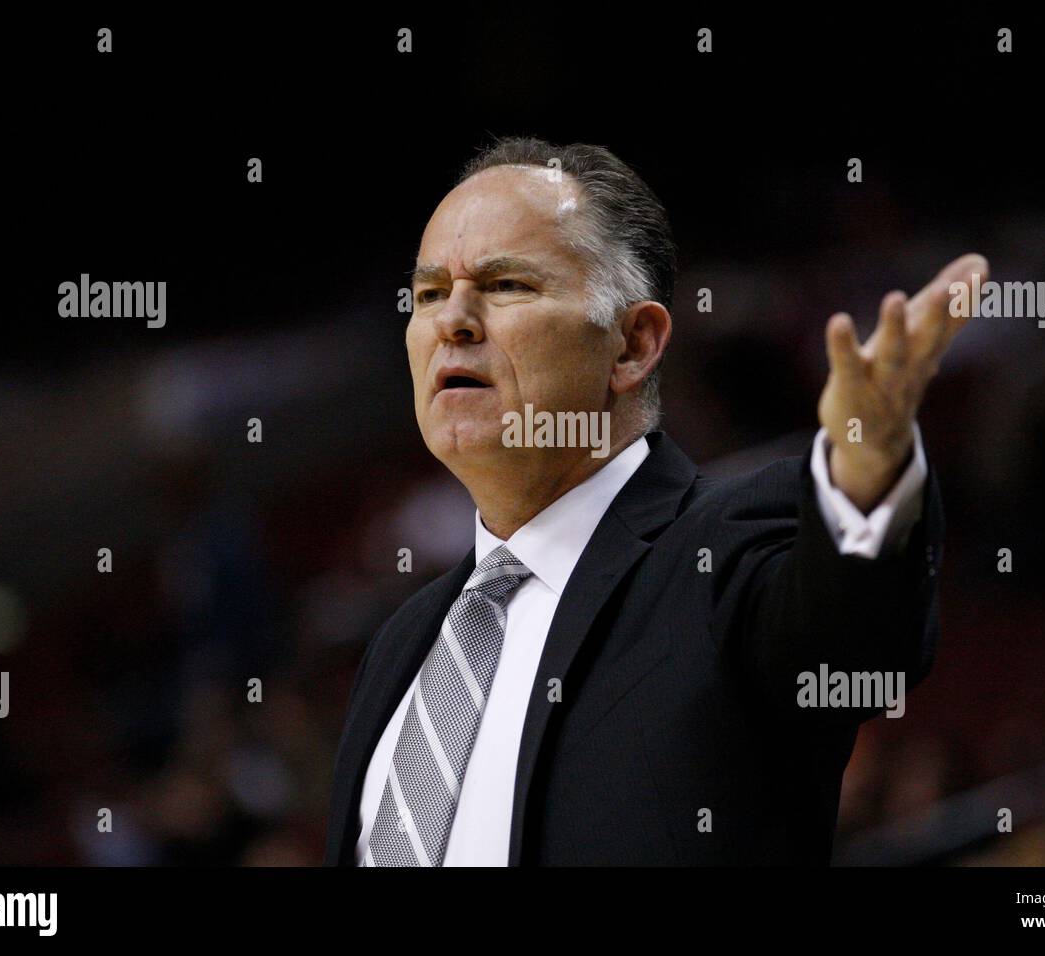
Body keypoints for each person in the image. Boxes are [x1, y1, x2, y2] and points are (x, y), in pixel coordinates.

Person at [323, 136, 987, 865]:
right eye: (428, 294)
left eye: (507, 285)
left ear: (633, 345)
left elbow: (860, 642)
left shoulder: (730, 545)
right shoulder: (403, 645)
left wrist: (869, 470)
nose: (452, 321)